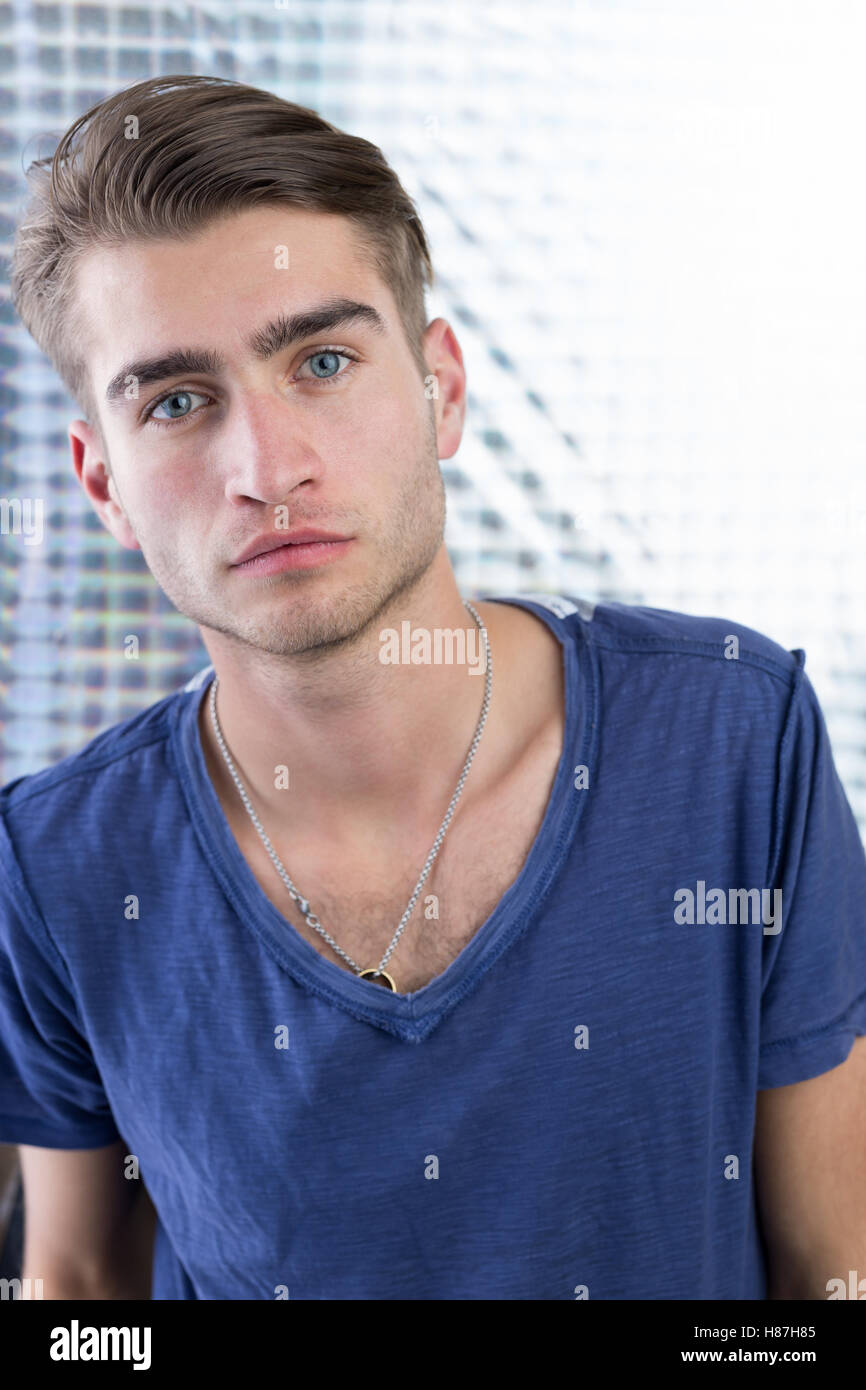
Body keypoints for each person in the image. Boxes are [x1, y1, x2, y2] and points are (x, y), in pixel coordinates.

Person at [1, 74, 864, 1302]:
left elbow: (833, 1273)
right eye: (179, 401)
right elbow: (80, 1292)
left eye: (323, 359)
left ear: (440, 388)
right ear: (103, 486)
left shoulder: (735, 740)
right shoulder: (56, 867)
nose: (267, 468)